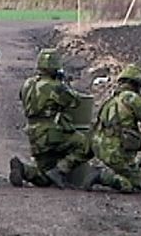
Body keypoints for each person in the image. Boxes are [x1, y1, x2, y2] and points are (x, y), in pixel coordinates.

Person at [9, 48, 90, 189]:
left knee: (45, 177)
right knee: (86, 145)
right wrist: (64, 83)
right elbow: (74, 101)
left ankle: (24, 170)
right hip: (51, 135)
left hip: (34, 136)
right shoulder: (55, 87)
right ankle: (61, 169)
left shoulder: (28, 84)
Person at [85, 64, 141, 193]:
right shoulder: (130, 98)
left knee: (132, 177)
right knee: (133, 184)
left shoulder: (111, 100)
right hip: (116, 151)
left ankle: (107, 175)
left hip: (100, 146)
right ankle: (103, 177)